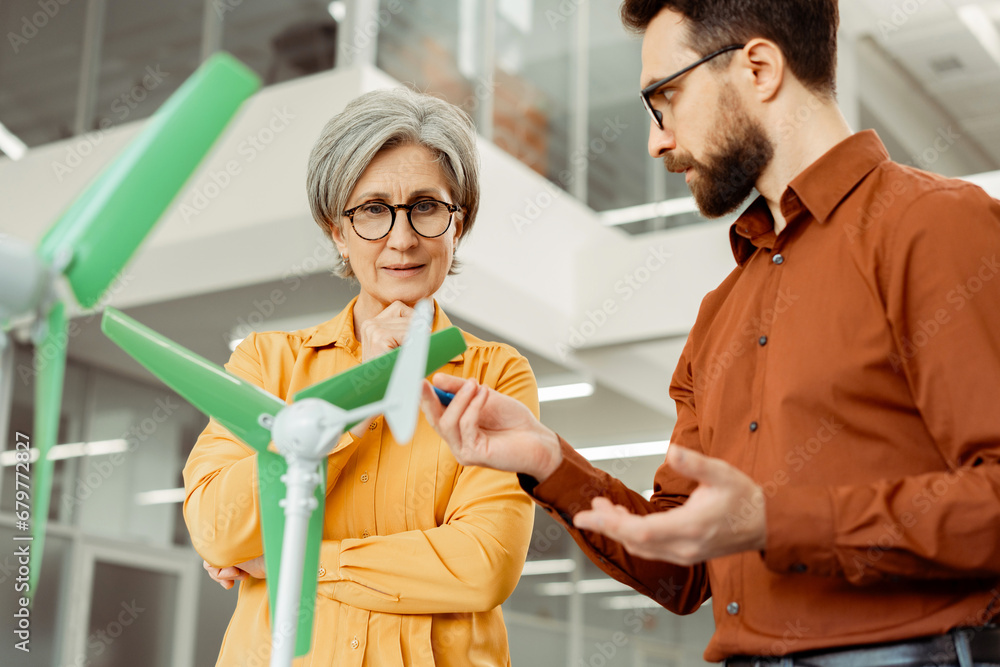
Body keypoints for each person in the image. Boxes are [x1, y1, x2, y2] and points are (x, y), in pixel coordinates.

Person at [420, 1, 1000, 665]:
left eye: (666, 98)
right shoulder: (721, 311)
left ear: (758, 68)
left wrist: (773, 520)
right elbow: (685, 574)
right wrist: (546, 459)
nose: (656, 141)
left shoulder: (938, 227)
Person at [183, 87, 538, 666]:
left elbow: (482, 566)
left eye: (426, 206)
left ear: (459, 223)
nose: (402, 238)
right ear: (336, 230)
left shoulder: (495, 374)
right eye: (372, 210)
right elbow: (218, 530)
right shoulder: (266, 362)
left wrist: (288, 561)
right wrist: (354, 397)